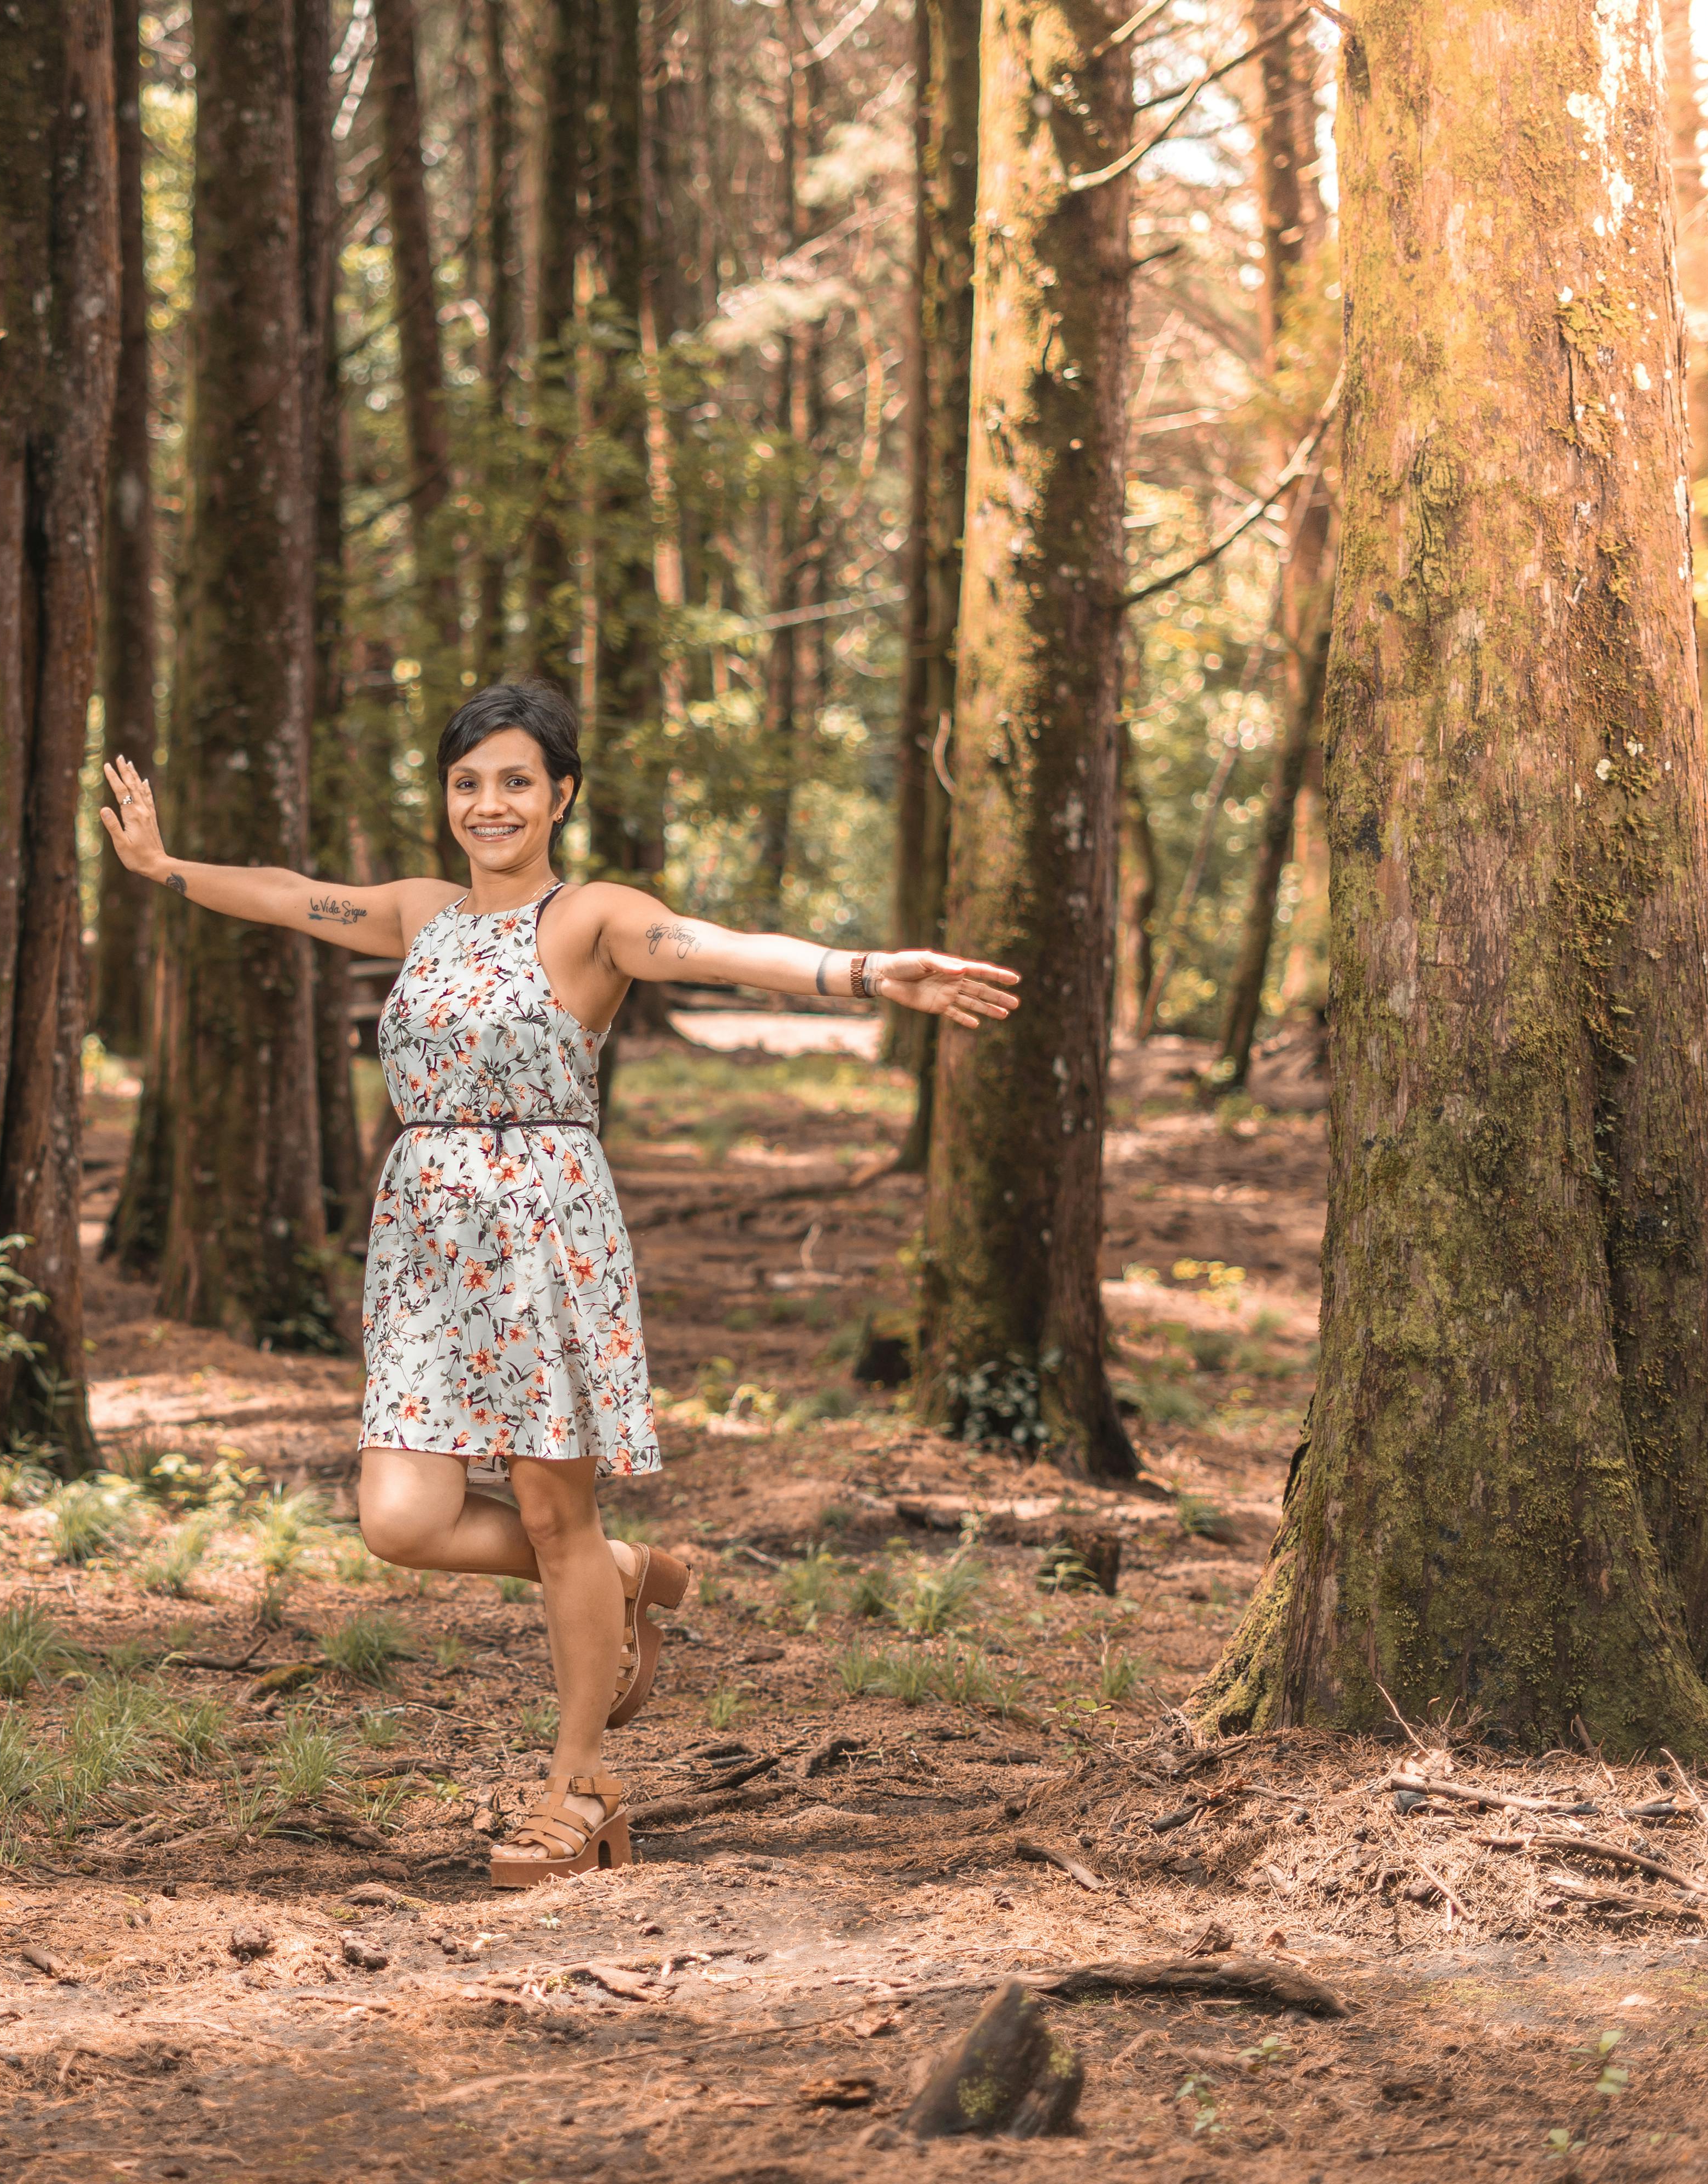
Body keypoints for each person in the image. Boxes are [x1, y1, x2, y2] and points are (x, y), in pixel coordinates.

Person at [98, 681, 1021, 1885]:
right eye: (467, 781)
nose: (489, 803)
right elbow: (285, 896)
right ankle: (626, 1576)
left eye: (516, 781)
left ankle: (577, 1781)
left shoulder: (591, 918)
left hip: (543, 1237)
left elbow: (717, 950)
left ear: (560, 795)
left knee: (549, 1513)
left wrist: (860, 972)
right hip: (425, 1243)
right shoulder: (421, 915)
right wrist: (164, 865)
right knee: (401, 1520)